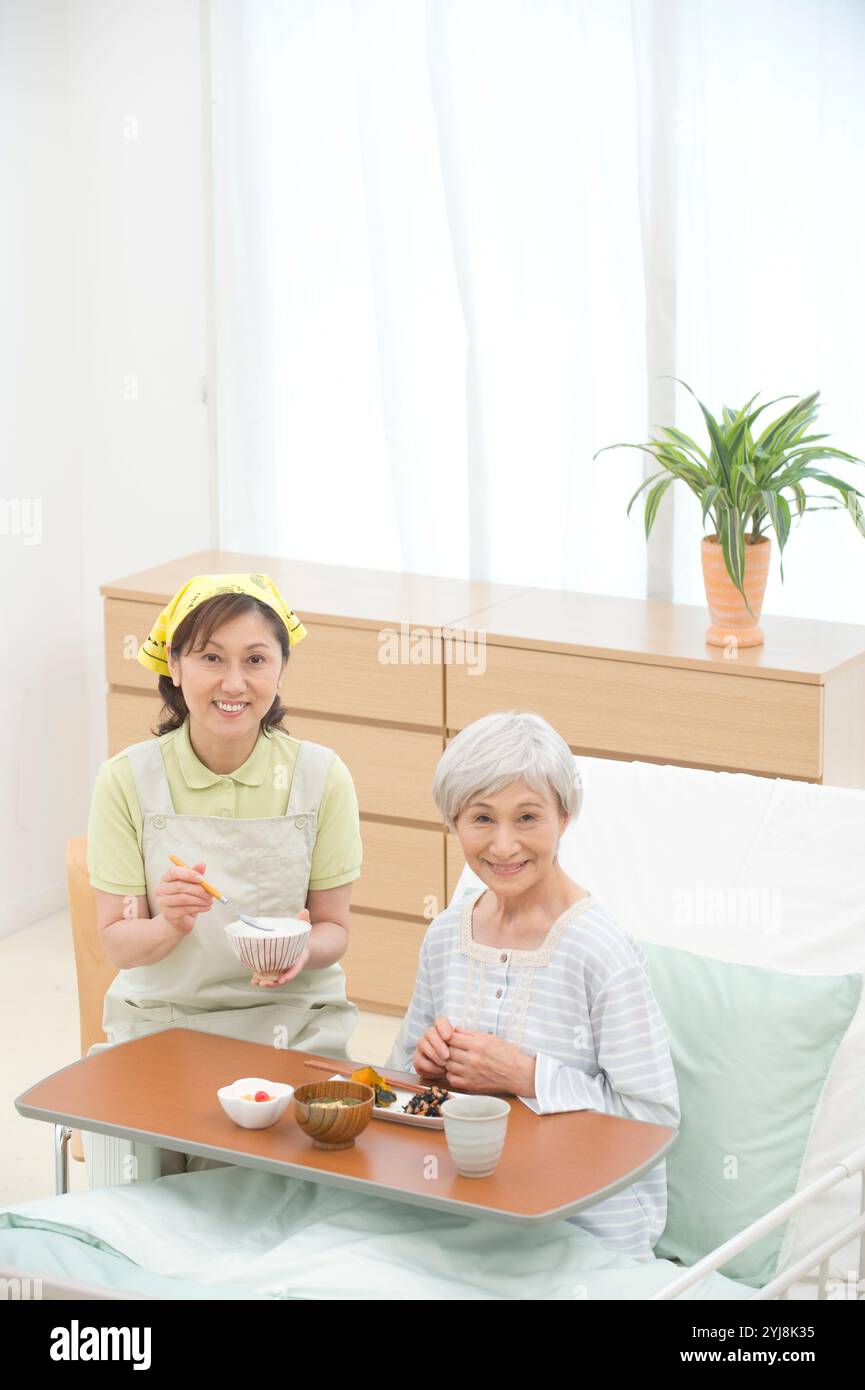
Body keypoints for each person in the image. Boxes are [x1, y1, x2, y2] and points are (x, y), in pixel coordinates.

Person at [84, 572, 362, 1184]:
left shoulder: (321, 776)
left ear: (280, 671)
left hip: (291, 1021)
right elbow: (116, 943)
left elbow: (335, 929)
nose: (234, 683)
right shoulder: (126, 780)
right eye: (211, 657)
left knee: (256, 1189)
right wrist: (168, 924)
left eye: (255, 659)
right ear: (175, 666)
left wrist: (301, 948)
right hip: (160, 1024)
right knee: (124, 1174)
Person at [386, 710, 680, 1261]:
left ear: (564, 817)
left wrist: (527, 1075)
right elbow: (400, 1079)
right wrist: (423, 1067)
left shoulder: (601, 950)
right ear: (454, 821)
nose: (502, 846)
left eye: (527, 817)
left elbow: (654, 1120)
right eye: (481, 818)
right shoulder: (448, 932)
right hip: (456, 1199)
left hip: (581, 1224)